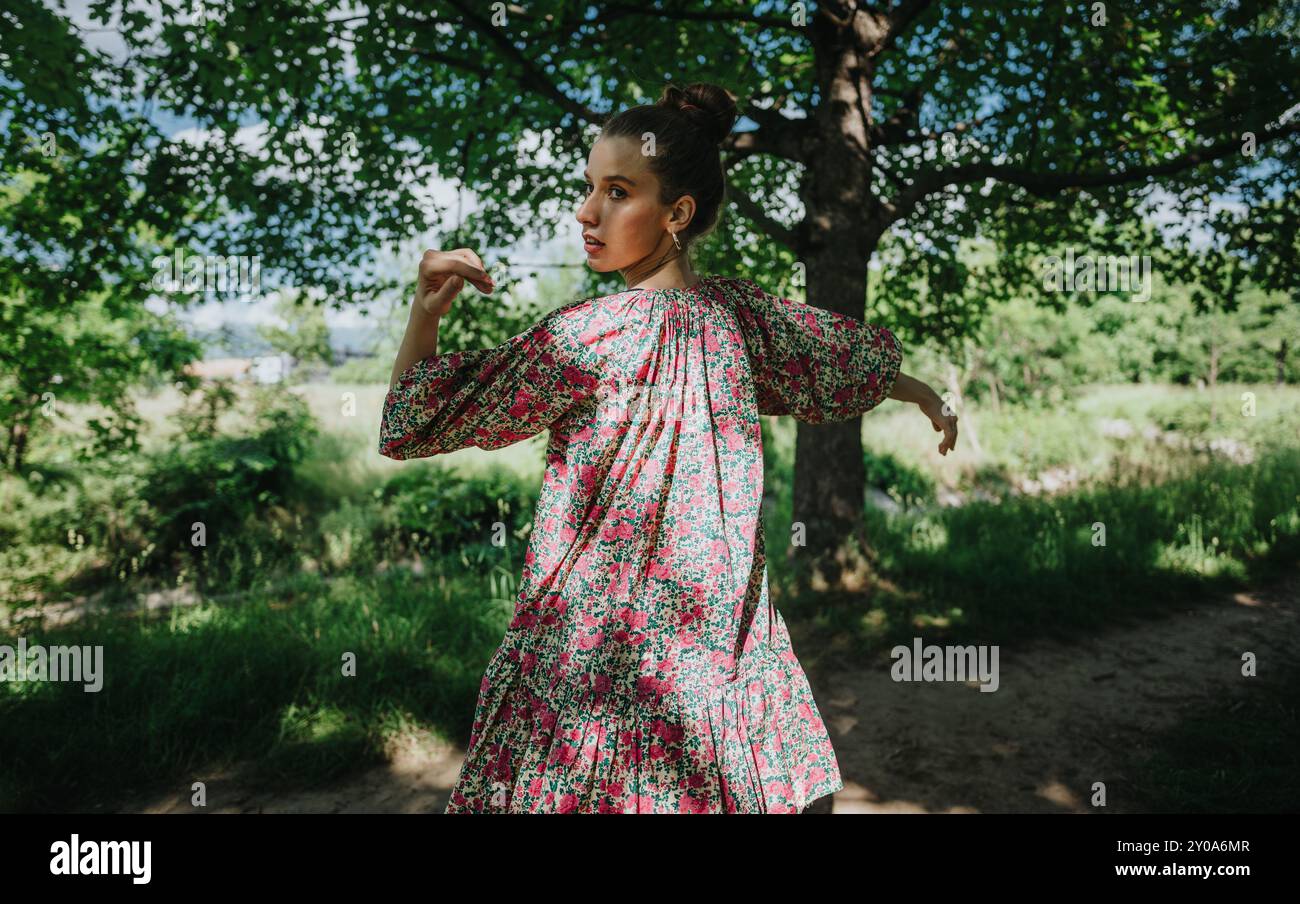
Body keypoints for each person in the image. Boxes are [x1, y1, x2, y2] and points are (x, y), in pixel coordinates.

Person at [379, 82, 958, 814]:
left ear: (678, 213)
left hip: (626, 657)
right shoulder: (710, 321)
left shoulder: (601, 335)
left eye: (618, 192)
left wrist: (420, 317)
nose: (587, 212)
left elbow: (411, 419)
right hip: (667, 657)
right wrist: (925, 395)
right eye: (588, 188)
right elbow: (844, 363)